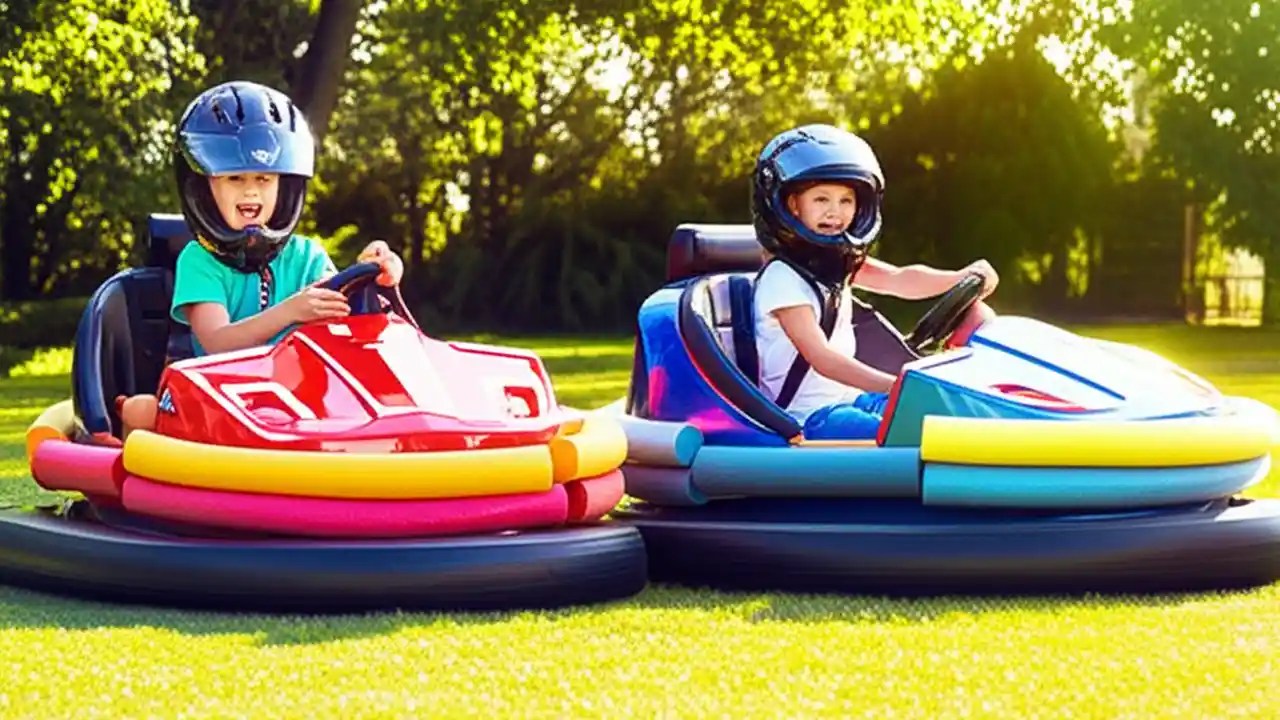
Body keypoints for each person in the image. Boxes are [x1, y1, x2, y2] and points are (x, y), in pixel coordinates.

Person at [113, 81, 403, 442]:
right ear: (204, 187)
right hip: (217, 401)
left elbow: (343, 316)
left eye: (264, 179)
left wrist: (377, 275)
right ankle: (130, 469)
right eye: (235, 178)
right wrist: (292, 311)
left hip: (297, 402)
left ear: (285, 185)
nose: (251, 190)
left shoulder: (307, 256)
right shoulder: (199, 260)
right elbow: (217, 342)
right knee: (144, 410)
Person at [751, 123, 998, 441]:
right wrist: (897, 384)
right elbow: (823, 359)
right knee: (915, 433)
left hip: (849, 400)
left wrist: (961, 277)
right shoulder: (783, 279)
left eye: (846, 201)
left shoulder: (835, 265)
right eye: (821, 199)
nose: (835, 212)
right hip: (809, 419)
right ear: (791, 205)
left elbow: (899, 279)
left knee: (946, 414)